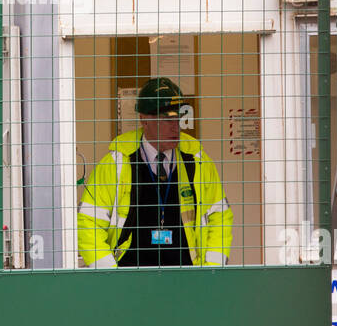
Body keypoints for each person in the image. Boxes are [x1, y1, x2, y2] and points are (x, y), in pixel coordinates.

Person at [78, 77, 231, 268]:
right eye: (166, 118)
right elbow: (88, 223)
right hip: (128, 278)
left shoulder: (198, 161)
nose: (175, 126)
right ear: (144, 119)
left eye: (178, 117)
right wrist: (110, 276)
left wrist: (211, 271)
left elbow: (220, 217)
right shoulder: (115, 164)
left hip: (186, 278)